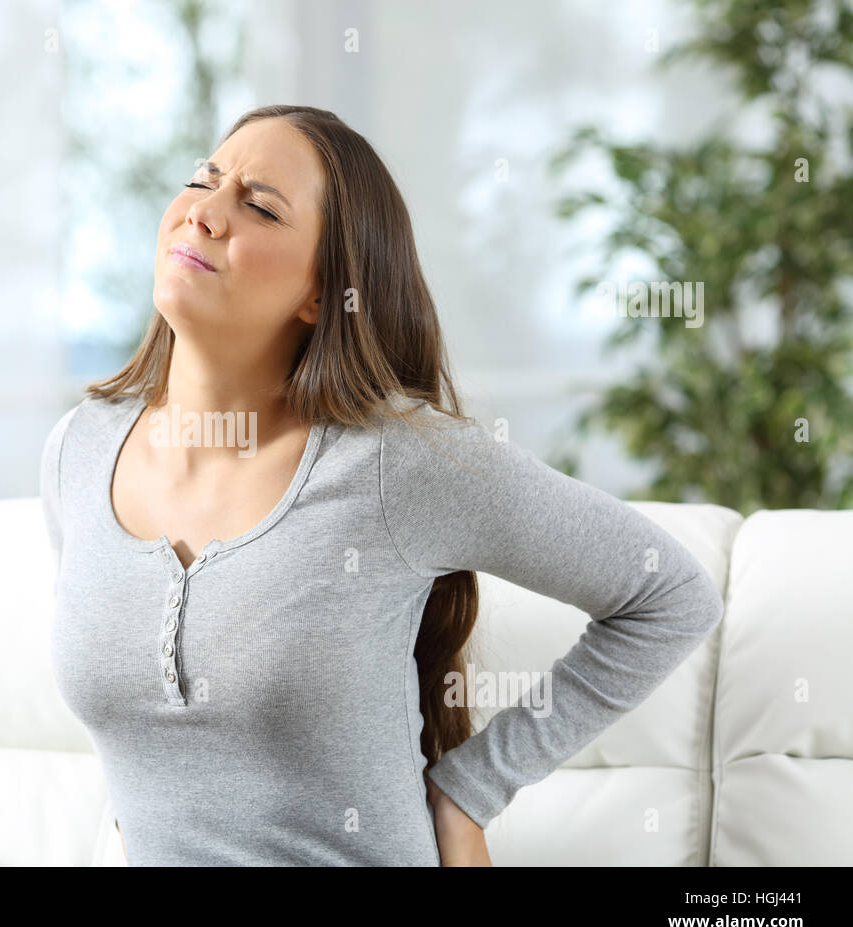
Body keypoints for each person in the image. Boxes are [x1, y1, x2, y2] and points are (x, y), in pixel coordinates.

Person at [39, 105, 724, 866]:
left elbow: (669, 597)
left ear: (320, 295)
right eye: (203, 180)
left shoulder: (399, 461)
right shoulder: (79, 452)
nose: (203, 213)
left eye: (259, 205)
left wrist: (471, 790)